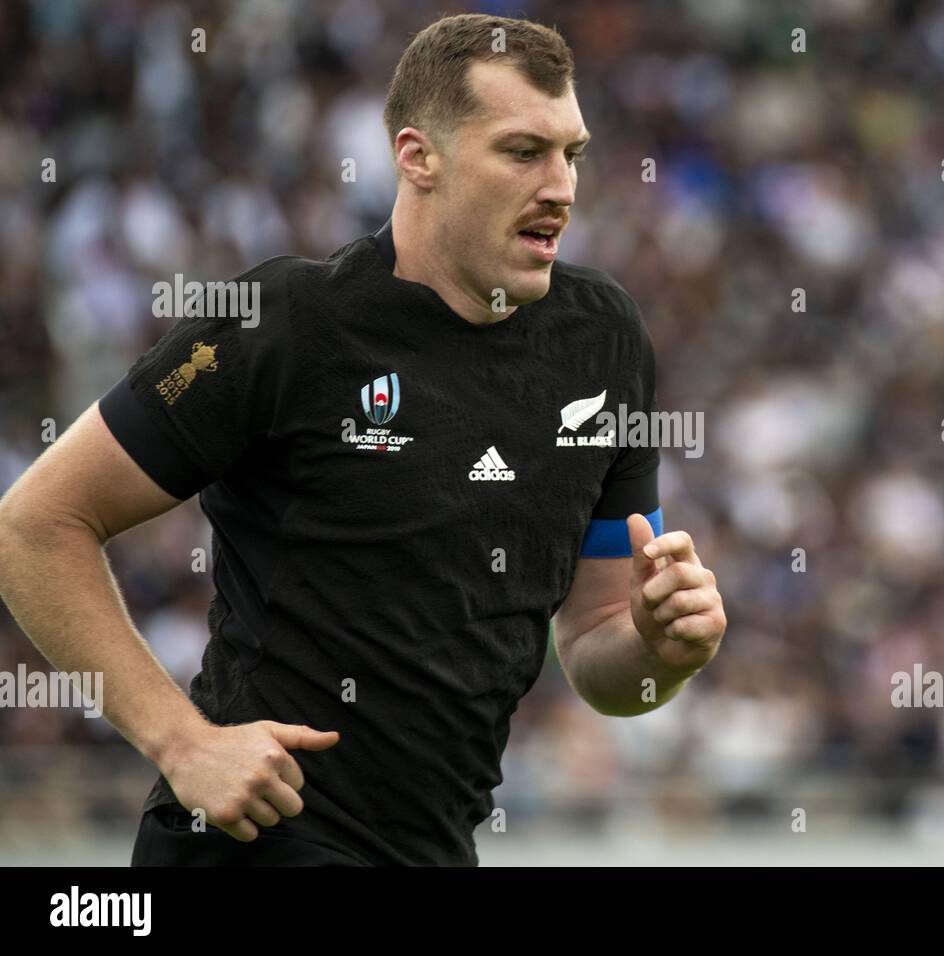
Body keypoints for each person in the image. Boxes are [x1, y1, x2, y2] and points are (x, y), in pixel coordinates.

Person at [0, 13, 726, 866]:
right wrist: (182, 742)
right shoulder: (284, 323)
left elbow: (600, 645)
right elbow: (33, 525)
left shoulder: (603, 340)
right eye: (523, 152)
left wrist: (659, 649)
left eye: (573, 153)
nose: (561, 185)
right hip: (257, 847)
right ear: (418, 157)